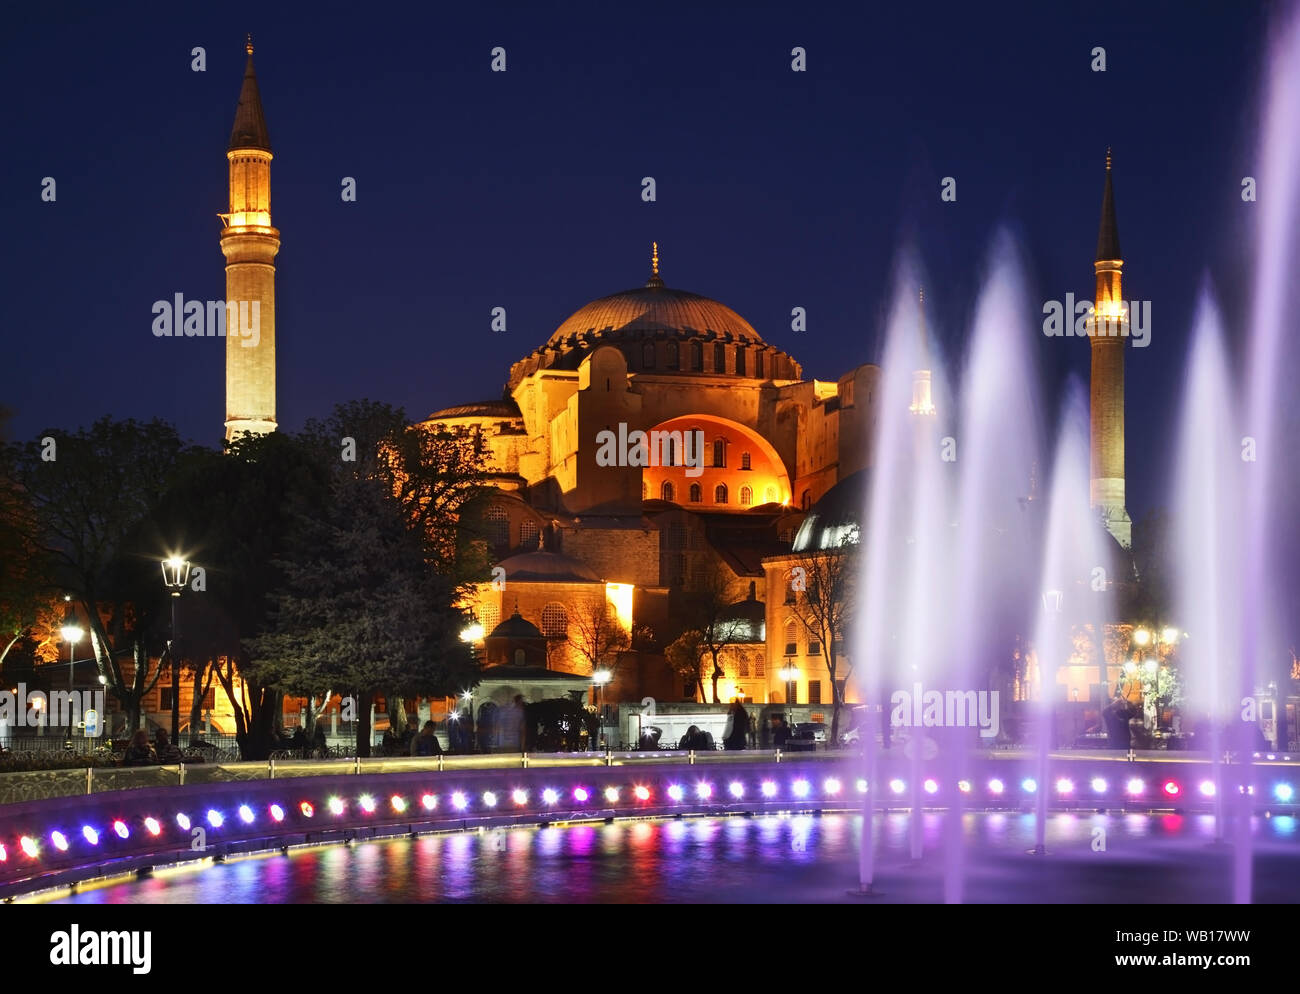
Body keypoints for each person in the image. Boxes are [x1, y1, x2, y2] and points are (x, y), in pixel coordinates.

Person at [1102, 666, 1144, 748]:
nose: (1119, 704)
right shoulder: (1109, 715)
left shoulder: (1122, 714)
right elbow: (1104, 712)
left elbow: (1133, 712)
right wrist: (1115, 703)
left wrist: (1128, 703)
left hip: (1125, 741)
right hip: (1114, 742)